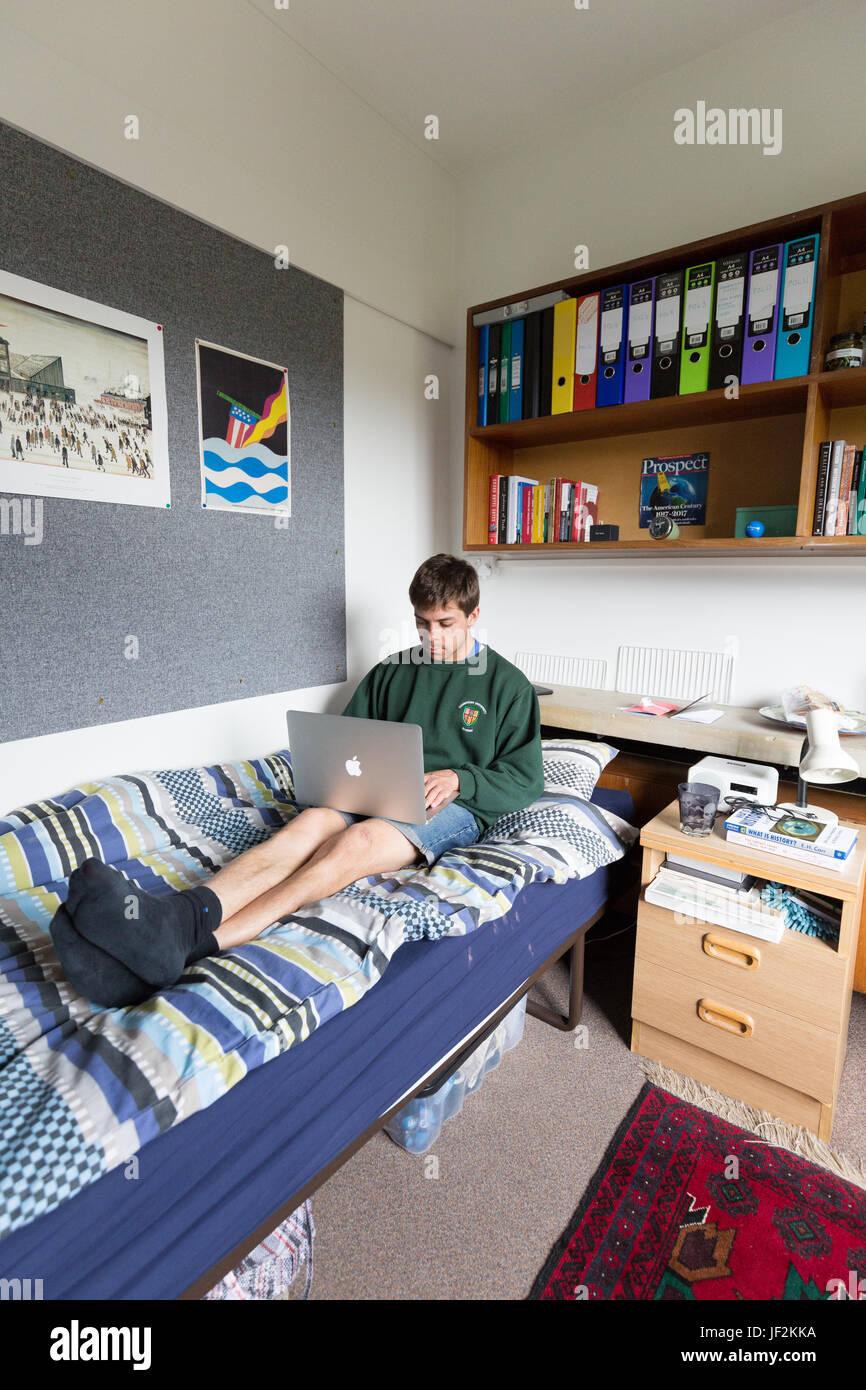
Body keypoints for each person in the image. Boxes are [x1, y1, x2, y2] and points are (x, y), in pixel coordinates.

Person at [49, 553, 544, 1006]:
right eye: (421, 624)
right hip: (378, 787)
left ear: (474, 616)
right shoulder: (392, 672)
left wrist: (461, 778)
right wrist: (341, 776)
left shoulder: (508, 686)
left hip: (448, 808)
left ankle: (197, 945)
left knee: (356, 841)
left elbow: (525, 780)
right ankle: (177, 917)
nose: (431, 638)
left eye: (445, 624)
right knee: (305, 828)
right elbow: (350, 742)